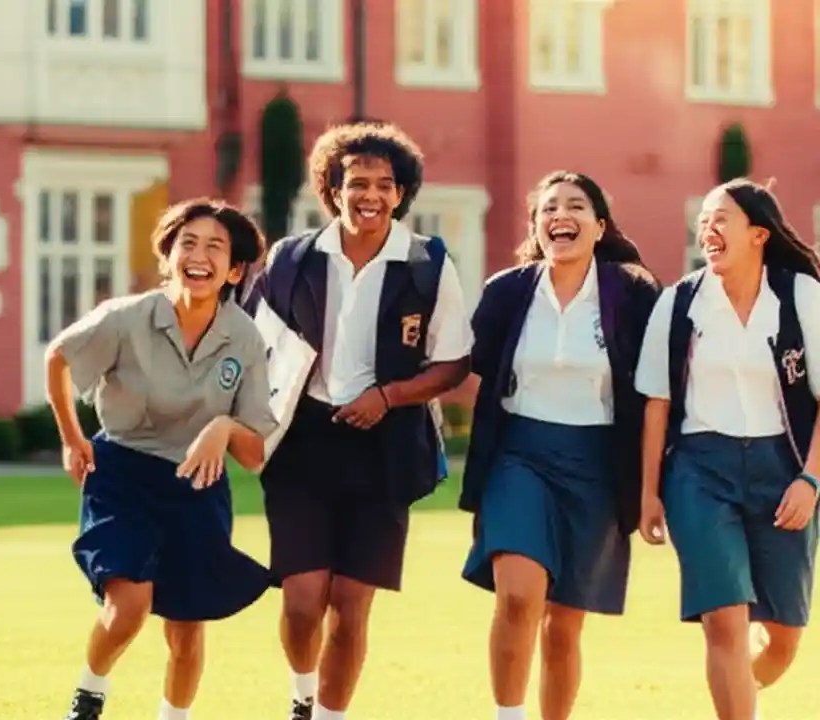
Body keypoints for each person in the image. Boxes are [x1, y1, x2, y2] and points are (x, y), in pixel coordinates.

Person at [242, 120, 472, 720]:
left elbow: (454, 362)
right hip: (302, 443)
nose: (370, 195)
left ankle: (330, 716)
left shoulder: (428, 264)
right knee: (301, 600)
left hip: (385, 447)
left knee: (350, 603)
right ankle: (302, 694)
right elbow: (248, 343)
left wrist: (391, 397)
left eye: (384, 184)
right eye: (357, 182)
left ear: (401, 194)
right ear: (333, 189)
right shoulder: (292, 259)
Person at [47, 198, 277, 720]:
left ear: (235, 270)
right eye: (187, 244)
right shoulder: (126, 318)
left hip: (197, 482)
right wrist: (71, 437)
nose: (199, 256)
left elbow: (256, 451)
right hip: (121, 472)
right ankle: (89, 695)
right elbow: (58, 357)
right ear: (167, 258)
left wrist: (223, 427)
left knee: (187, 626)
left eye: (215, 247)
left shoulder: (244, 336)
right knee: (129, 605)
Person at [460, 171, 660, 720]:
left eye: (575, 207)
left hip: (598, 463)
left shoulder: (634, 293)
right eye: (548, 208)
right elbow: (472, 363)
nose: (559, 216)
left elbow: (660, 389)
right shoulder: (507, 290)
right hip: (518, 454)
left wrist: (651, 486)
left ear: (599, 226)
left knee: (566, 625)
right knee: (520, 597)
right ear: (536, 225)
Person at [636, 179, 820, 720]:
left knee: (785, 637)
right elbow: (656, 405)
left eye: (721, 219)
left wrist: (810, 481)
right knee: (724, 621)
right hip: (699, 472)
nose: (707, 230)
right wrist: (649, 493)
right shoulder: (680, 302)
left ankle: (739, 699)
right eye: (703, 220)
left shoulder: (801, 296)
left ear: (759, 234)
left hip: (783, 471)